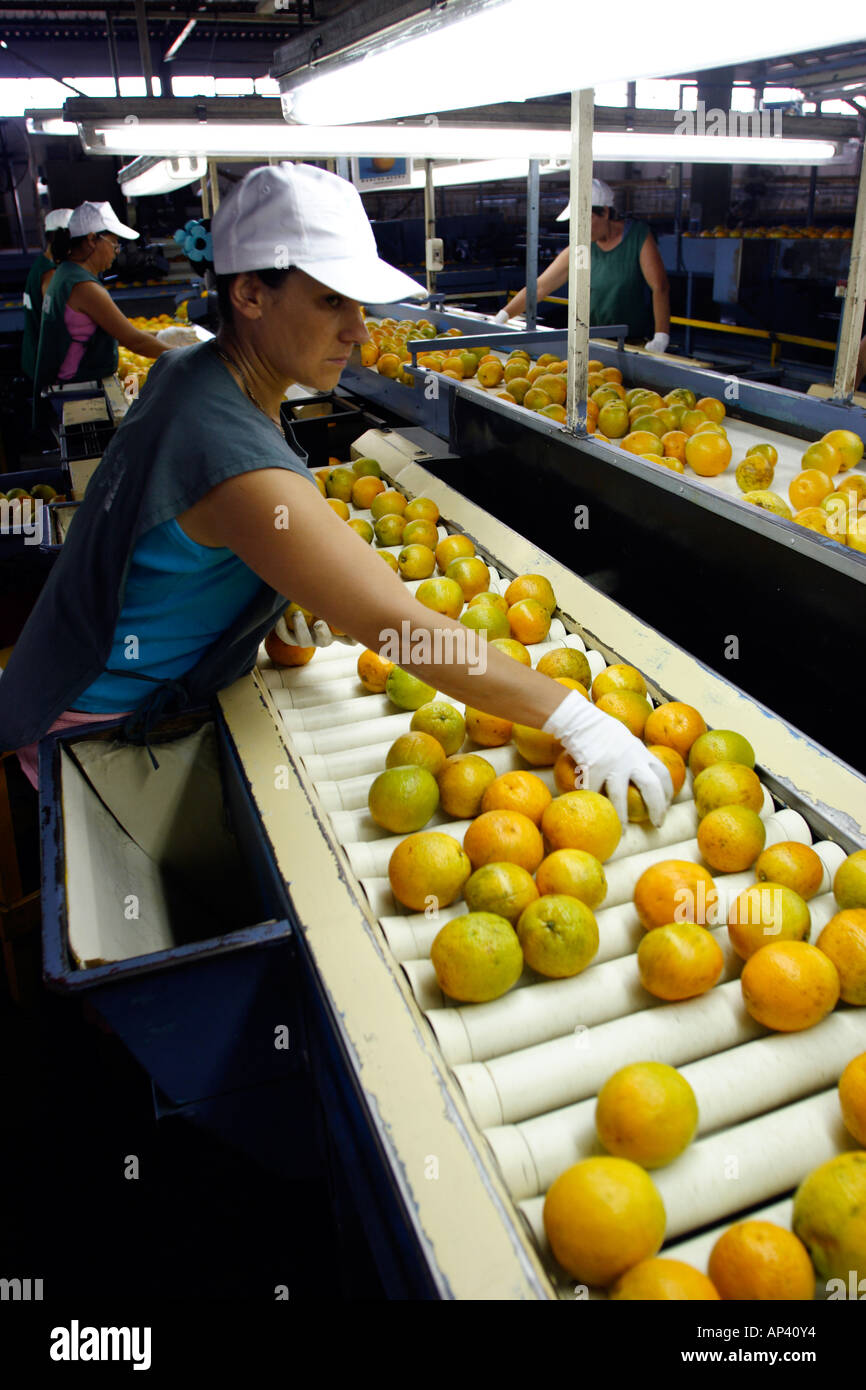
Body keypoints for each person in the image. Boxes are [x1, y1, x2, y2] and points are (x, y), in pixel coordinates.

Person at [0, 164, 672, 829]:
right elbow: (403, 629)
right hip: (94, 737)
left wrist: (264, 593)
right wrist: (577, 718)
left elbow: (194, 539)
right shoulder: (236, 459)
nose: (357, 328)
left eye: (357, 304)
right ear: (250, 295)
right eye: (331, 301)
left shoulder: (188, 371)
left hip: (68, 688)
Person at [33, 200, 195, 395]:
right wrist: (190, 359)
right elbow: (135, 341)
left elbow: (119, 331)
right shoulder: (83, 286)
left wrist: (163, 335)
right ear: (92, 239)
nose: (116, 251)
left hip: (67, 386)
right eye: (114, 243)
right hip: (77, 390)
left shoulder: (65, 273)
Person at [495, 178, 671, 353]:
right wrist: (502, 317)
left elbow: (660, 287)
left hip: (632, 343)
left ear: (606, 213)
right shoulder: (581, 248)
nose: (581, 227)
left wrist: (661, 337)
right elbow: (540, 287)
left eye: (586, 219)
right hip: (593, 342)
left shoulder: (638, 237)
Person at [21, 207, 73, 381]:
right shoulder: (50, 274)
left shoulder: (41, 264)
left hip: (35, 356)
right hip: (46, 363)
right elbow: (58, 321)